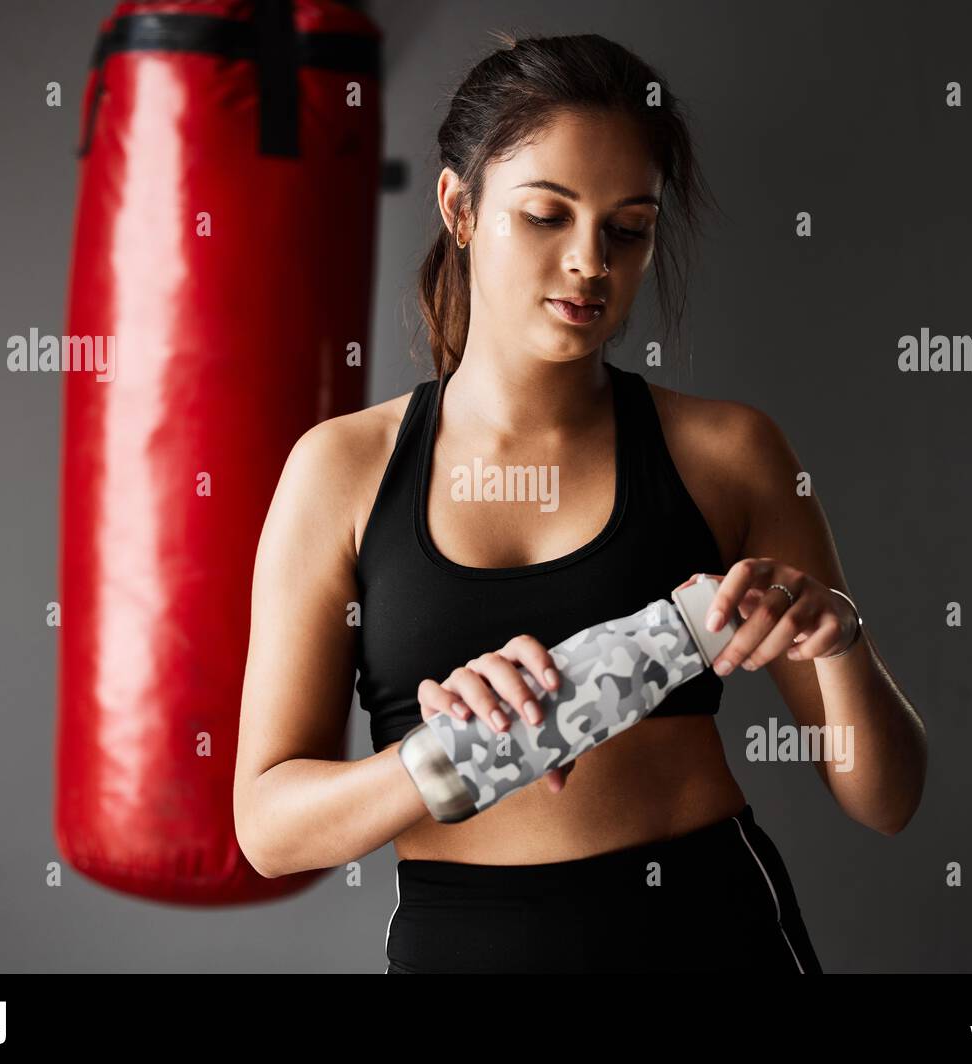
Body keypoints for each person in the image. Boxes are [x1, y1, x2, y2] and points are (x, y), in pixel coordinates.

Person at [233, 31, 927, 974]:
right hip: (462, 947)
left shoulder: (727, 451)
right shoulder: (342, 470)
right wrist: (447, 754)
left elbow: (885, 800)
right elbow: (269, 829)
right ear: (460, 207)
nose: (589, 262)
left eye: (627, 227)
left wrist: (838, 638)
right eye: (546, 216)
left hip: (711, 939)